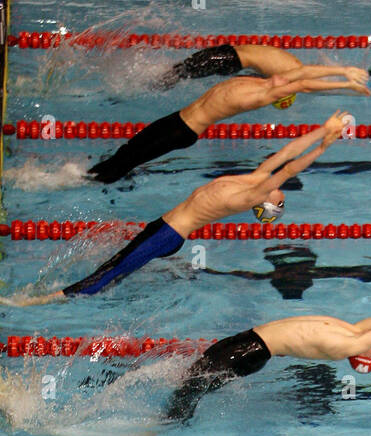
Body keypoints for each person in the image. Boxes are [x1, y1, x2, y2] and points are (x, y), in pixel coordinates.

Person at [12, 116, 347, 303]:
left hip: (168, 235)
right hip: (164, 227)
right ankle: (77, 292)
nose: (282, 193)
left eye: (282, 201)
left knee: (110, 271)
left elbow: (290, 168)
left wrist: (326, 145)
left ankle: (41, 301)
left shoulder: (252, 194)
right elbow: (287, 151)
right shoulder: (255, 180)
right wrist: (323, 128)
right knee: (116, 268)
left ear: (267, 204)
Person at [88, 51, 370, 183]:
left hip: (182, 131)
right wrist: (344, 70)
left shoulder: (263, 94)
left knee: (127, 160)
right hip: (176, 120)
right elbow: (302, 74)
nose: (285, 80)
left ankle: (89, 179)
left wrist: (345, 85)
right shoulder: (264, 83)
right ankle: (90, 173)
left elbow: (304, 83)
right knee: (128, 151)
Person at [165, 306, 371, 421]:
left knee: (188, 394)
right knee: (188, 385)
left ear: (364, 355)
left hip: (249, 352)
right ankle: (169, 420)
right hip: (246, 342)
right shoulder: (354, 330)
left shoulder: (349, 342)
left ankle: (163, 427)